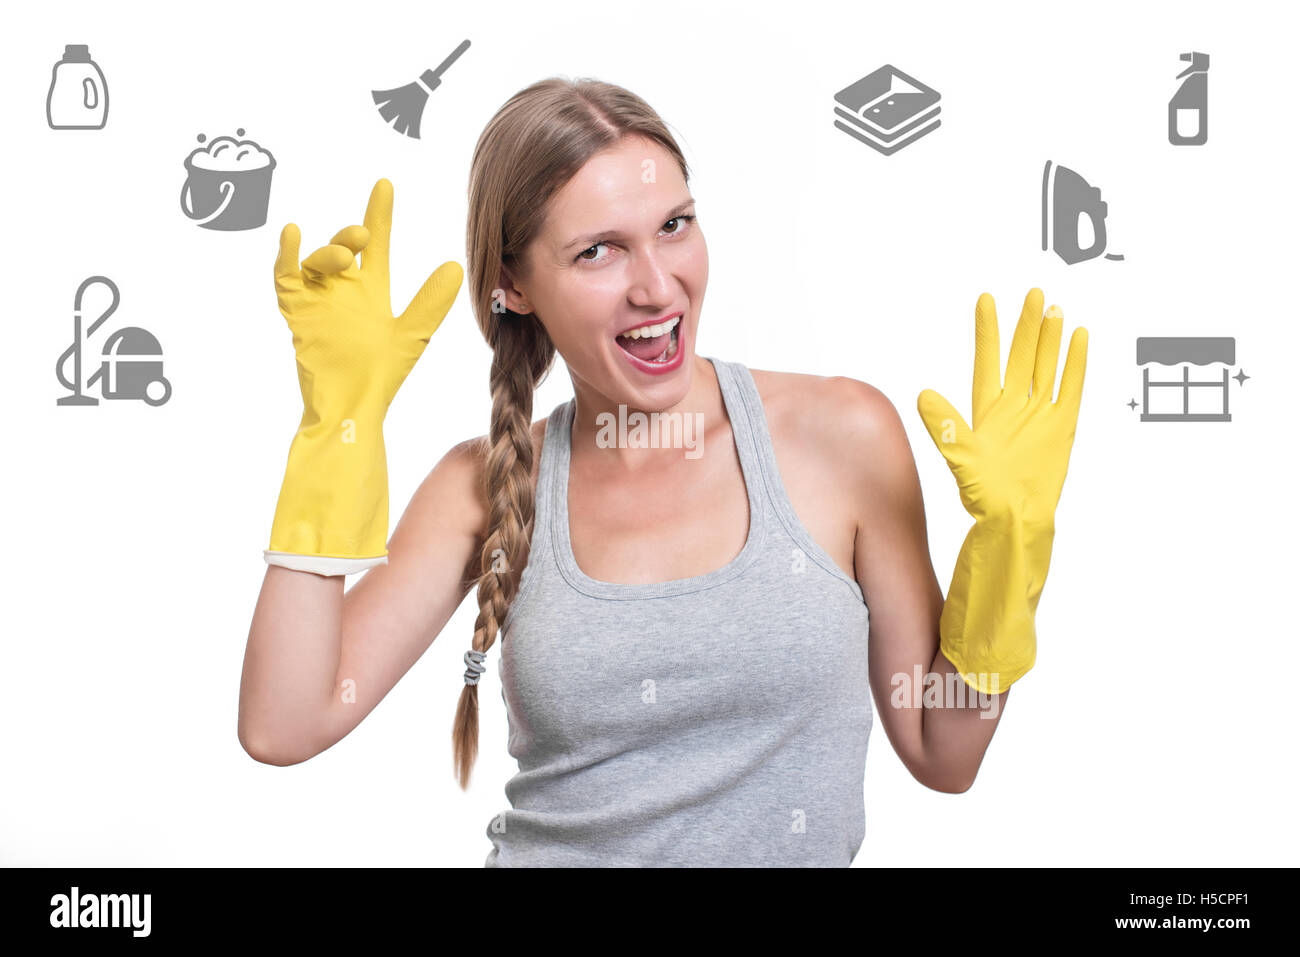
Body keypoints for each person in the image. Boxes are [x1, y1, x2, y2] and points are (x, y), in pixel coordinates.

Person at [238, 76, 1088, 867]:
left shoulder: (844, 438)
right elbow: (284, 722)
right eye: (598, 252)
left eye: (675, 225)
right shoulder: (488, 485)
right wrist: (334, 429)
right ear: (515, 284)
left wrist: (1009, 560)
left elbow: (945, 750)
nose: (657, 287)